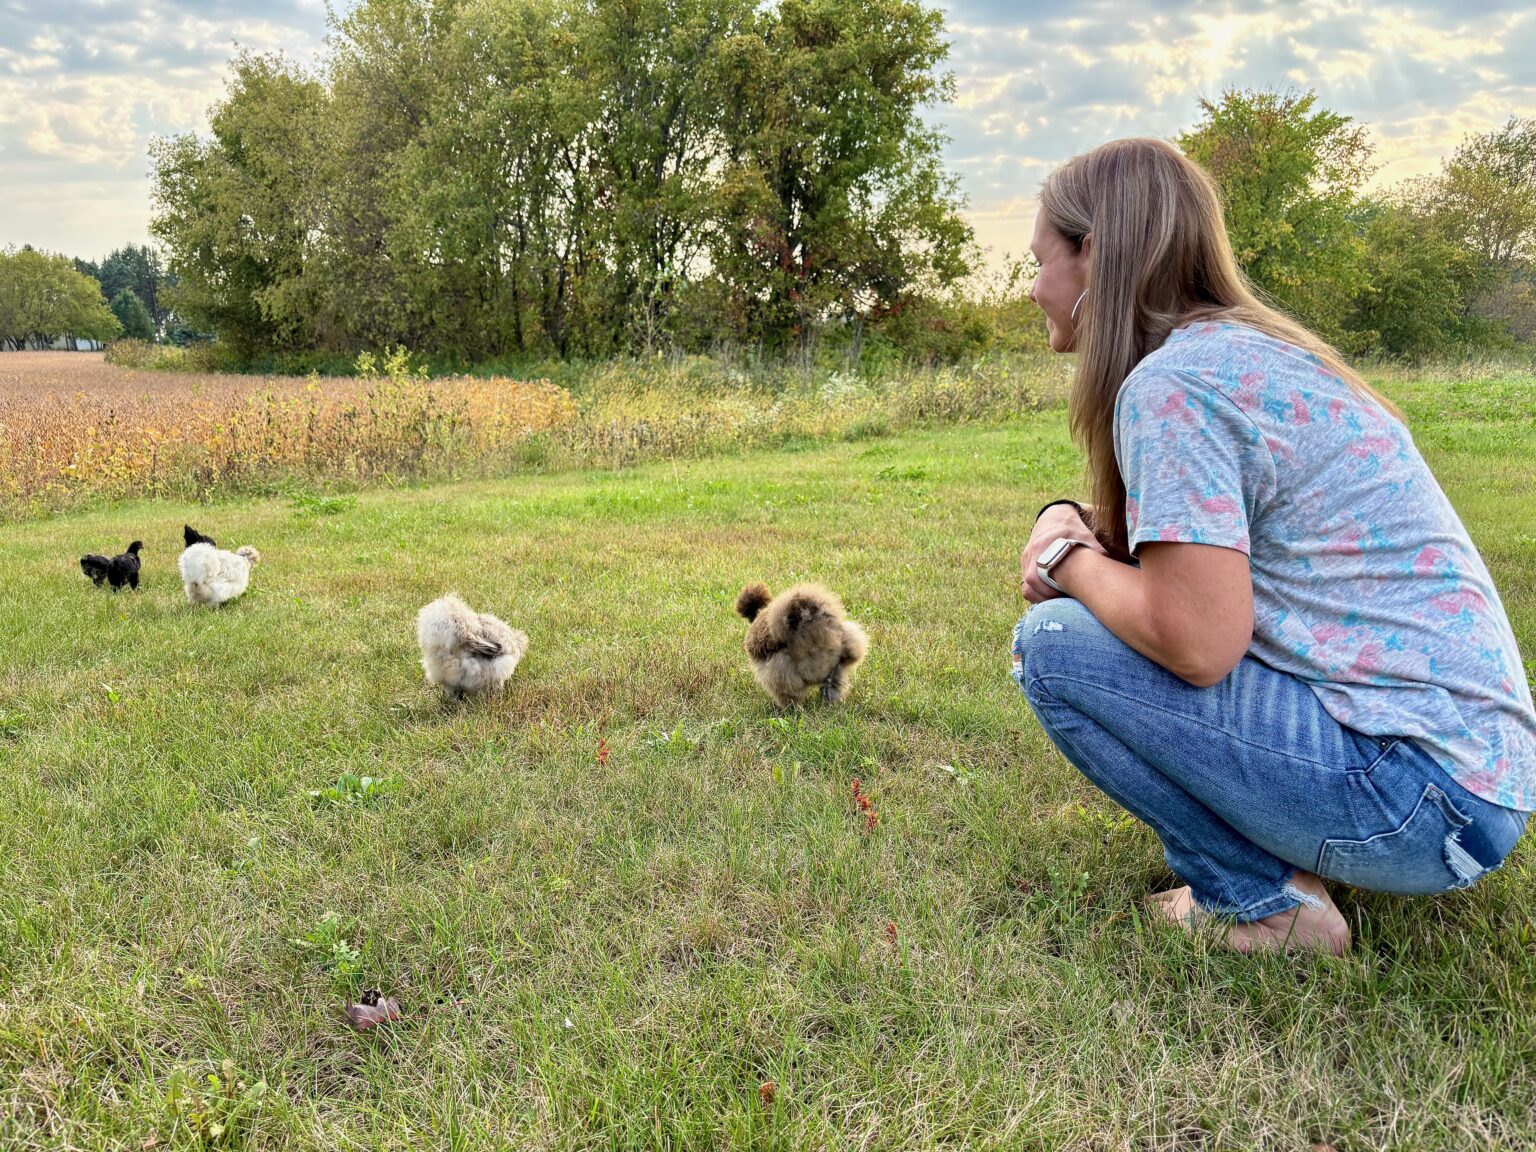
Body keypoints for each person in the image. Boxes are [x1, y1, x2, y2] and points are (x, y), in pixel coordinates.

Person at [1011, 137, 1534, 954]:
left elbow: (1199, 642)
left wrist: (1064, 564)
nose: (1033, 289)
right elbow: (1189, 549)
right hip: (1476, 790)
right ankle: (1290, 870)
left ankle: (1264, 902)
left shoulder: (1173, 386)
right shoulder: (1253, 356)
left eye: (1038, 262)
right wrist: (1068, 517)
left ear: (1096, 255)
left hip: (1418, 798)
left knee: (1053, 647)